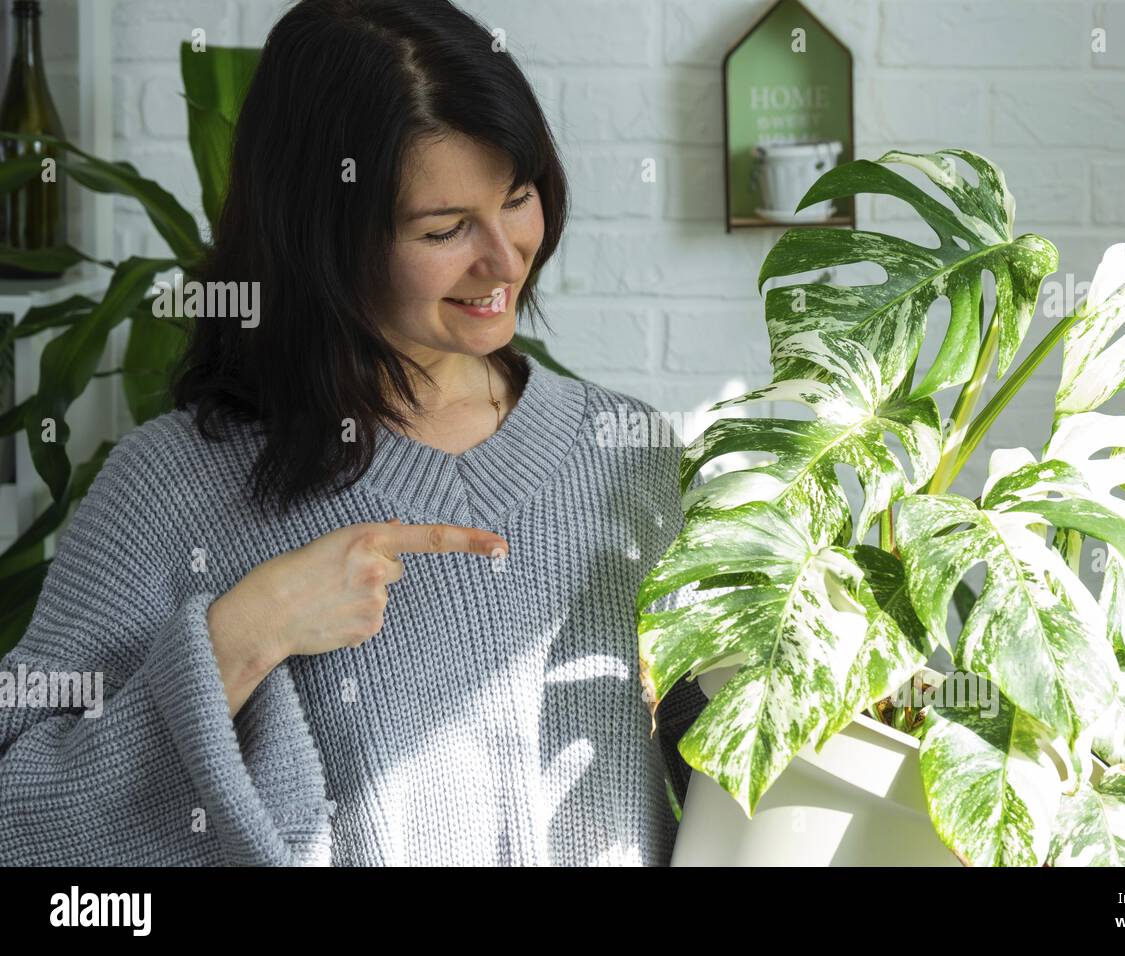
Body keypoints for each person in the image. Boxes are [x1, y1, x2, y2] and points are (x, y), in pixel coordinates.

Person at [0, 0, 707, 866]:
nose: (504, 258)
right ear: (323, 238)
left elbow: (742, 774)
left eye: (518, 198)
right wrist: (241, 635)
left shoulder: (629, 452)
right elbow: (19, 819)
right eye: (444, 230)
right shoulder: (170, 487)